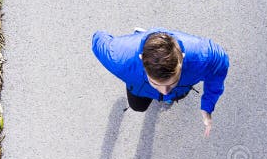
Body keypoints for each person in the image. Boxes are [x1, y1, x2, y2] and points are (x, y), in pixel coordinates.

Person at [91, 27, 229, 137]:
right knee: (138, 106)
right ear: (141, 60)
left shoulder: (203, 57)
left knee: (175, 94)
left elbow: (220, 67)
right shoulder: (120, 59)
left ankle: (144, 40)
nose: (165, 90)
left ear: (182, 59)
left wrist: (207, 105)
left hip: (158, 85)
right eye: (156, 83)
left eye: (171, 82)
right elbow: (98, 39)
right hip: (139, 84)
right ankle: (139, 36)